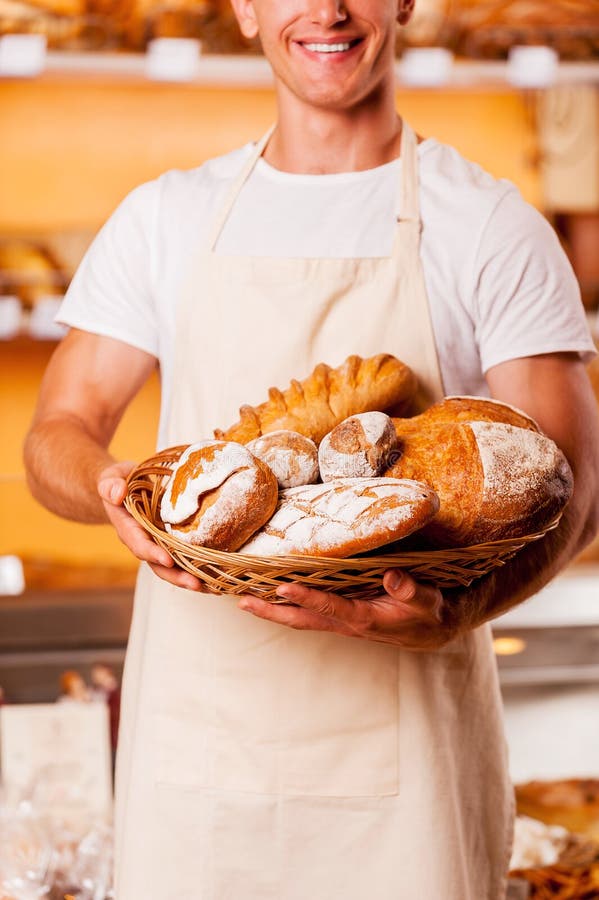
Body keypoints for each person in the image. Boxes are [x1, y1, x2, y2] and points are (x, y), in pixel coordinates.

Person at [23, 1, 599, 897]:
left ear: (404, 3)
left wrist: (460, 609)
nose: (326, 10)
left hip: (409, 770)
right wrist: (113, 487)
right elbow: (58, 429)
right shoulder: (166, 219)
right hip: (197, 759)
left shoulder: (488, 225)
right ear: (246, 10)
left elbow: (575, 486)